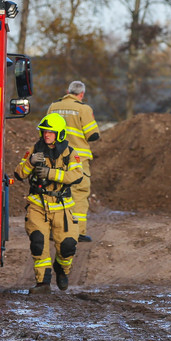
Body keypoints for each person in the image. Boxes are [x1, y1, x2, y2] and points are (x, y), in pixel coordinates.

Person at [15, 112, 83, 292]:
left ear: (59, 134)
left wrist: (50, 174)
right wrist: (30, 162)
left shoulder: (70, 153)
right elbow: (19, 174)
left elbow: (77, 176)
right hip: (38, 205)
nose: (46, 135)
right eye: (44, 131)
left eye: (51, 132)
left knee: (68, 246)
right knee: (38, 242)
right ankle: (43, 283)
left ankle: (62, 270)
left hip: (62, 207)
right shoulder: (34, 149)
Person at [46, 80, 100, 240]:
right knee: (79, 193)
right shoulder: (83, 109)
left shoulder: (53, 107)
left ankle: (54, 231)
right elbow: (93, 135)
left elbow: (45, 132)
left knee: (54, 193)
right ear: (81, 94)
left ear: (67, 91)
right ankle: (77, 232)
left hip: (55, 158)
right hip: (78, 160)